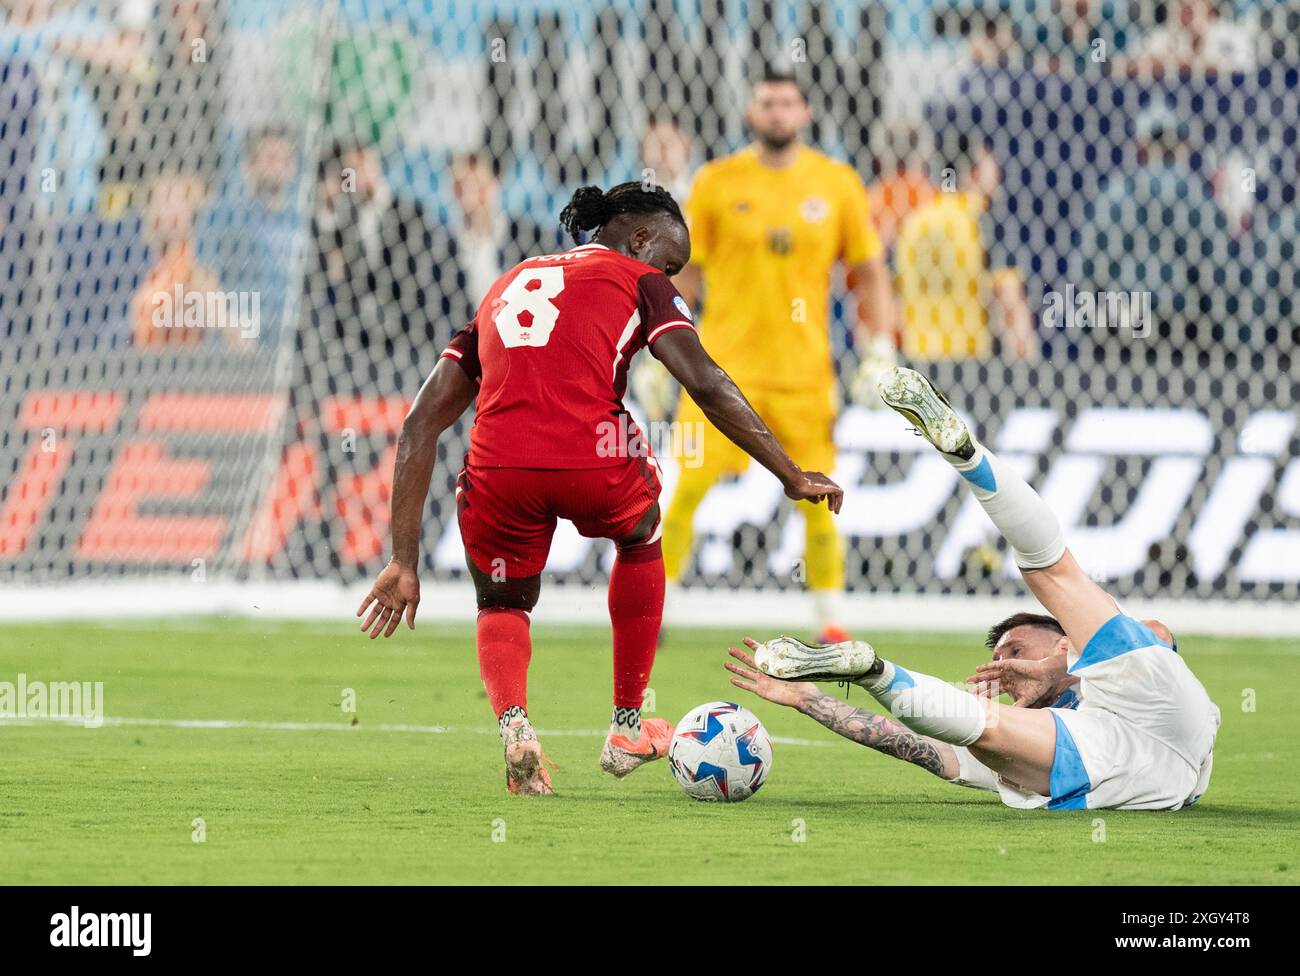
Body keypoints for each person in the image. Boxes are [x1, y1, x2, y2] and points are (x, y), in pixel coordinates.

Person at [356, 181, 843, 796]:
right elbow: (708, 382)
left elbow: (420, 423)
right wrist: (790, 473)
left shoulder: (507, 283)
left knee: (503, 604)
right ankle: (626, 725)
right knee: (643, 532)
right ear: (640, 237)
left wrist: (403, 558)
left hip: (499, 467)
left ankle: (515, 728)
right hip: (593, 458)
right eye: (670, 261)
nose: (672, 274)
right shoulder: (641, 281)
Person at [726, 366, 1219, 811]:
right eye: (1003, 655)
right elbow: (918, 747)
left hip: (1160, 712)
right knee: (986, 727)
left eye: (1015, 649)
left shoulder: (1100, 661)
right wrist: (810, 698)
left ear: (1065, 640)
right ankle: (873, 668)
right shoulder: (1036, 727)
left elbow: (1158, 635)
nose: (1002, 666)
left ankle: (967, 453)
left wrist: (1055, 667)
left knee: (1053, 576)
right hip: (1118, 764)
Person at [662, 70, 895, 643]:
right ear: (751, 111)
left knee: (817, 493)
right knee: (683, 487)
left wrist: (880, 343)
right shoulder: (717, 182)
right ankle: (655, 605)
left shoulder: (837, 184)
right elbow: (685, 270)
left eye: (787, 102)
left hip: (804, 373)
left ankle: (829, 620)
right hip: (721, 371)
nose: (777, 112)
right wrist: (658, 347)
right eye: (767, 101)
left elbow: (867, 271)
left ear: (805, 112)